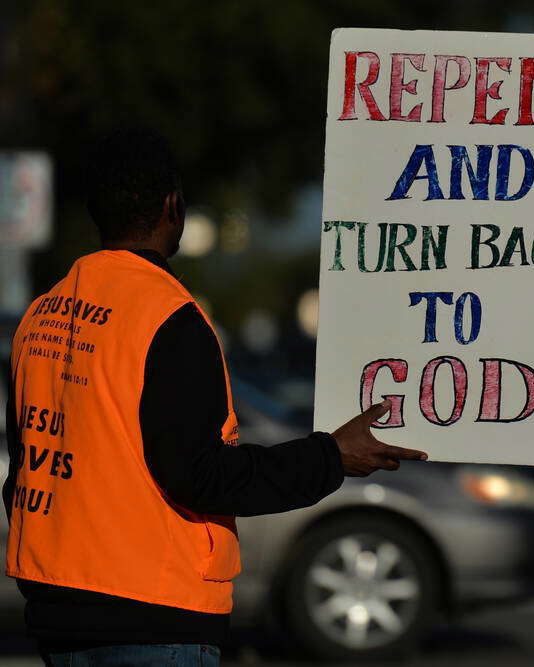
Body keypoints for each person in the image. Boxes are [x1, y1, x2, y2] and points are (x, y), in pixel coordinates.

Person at [3, 128, 427, 667]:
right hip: (154, 614)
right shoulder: (168, 317)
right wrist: (330, 457)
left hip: (58, 608)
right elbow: (200, 475)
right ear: (172, 208)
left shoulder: (41, 315)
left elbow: (27, 466)